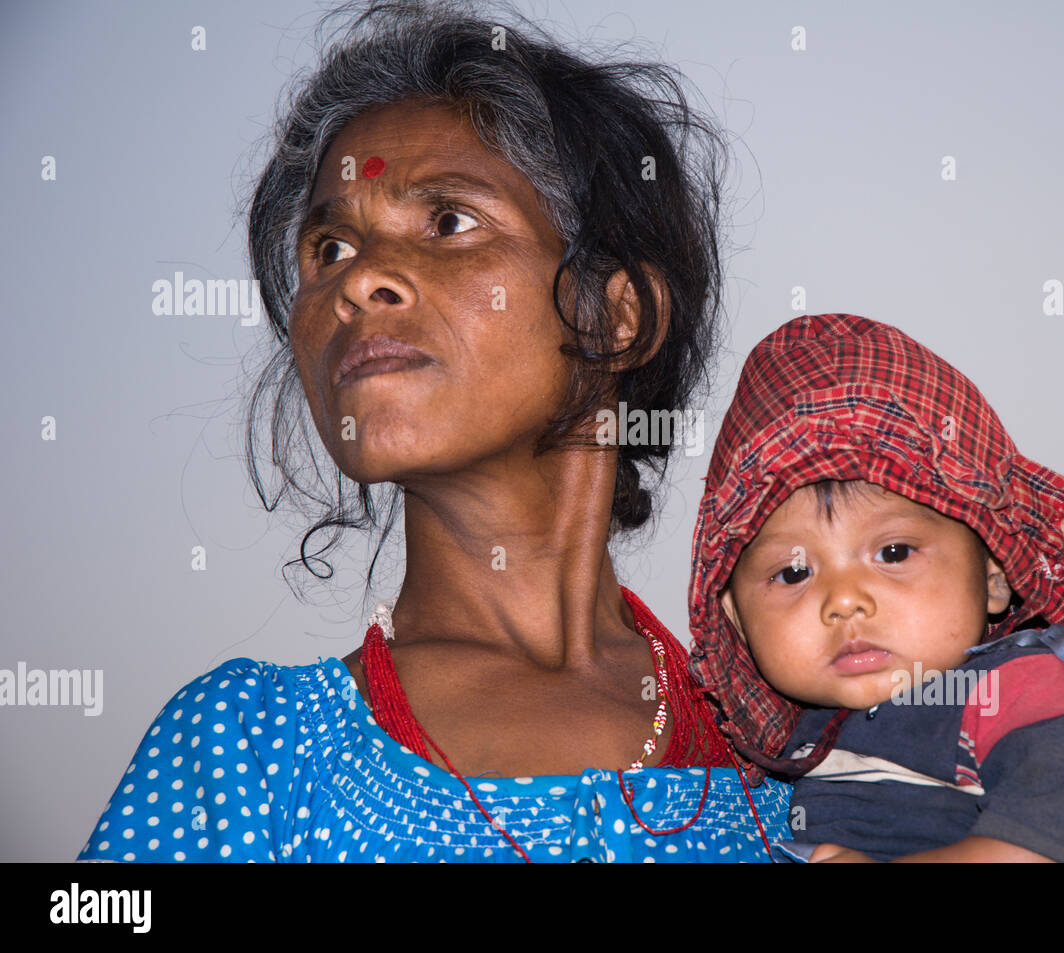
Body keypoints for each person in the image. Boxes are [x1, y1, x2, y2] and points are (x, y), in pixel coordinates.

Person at [75, 0, 787, 863]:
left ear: (616, 314)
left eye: (448, 222)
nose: (359, 280)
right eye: (328, 249)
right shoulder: (245, 756)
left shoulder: (797, 753)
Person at [687, 312, 1064, 862]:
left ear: (994, 577)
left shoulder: (1017, 688)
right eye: (793, 573)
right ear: (736, 618)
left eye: (893, 552)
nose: (844, 601)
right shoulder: (794, 742)